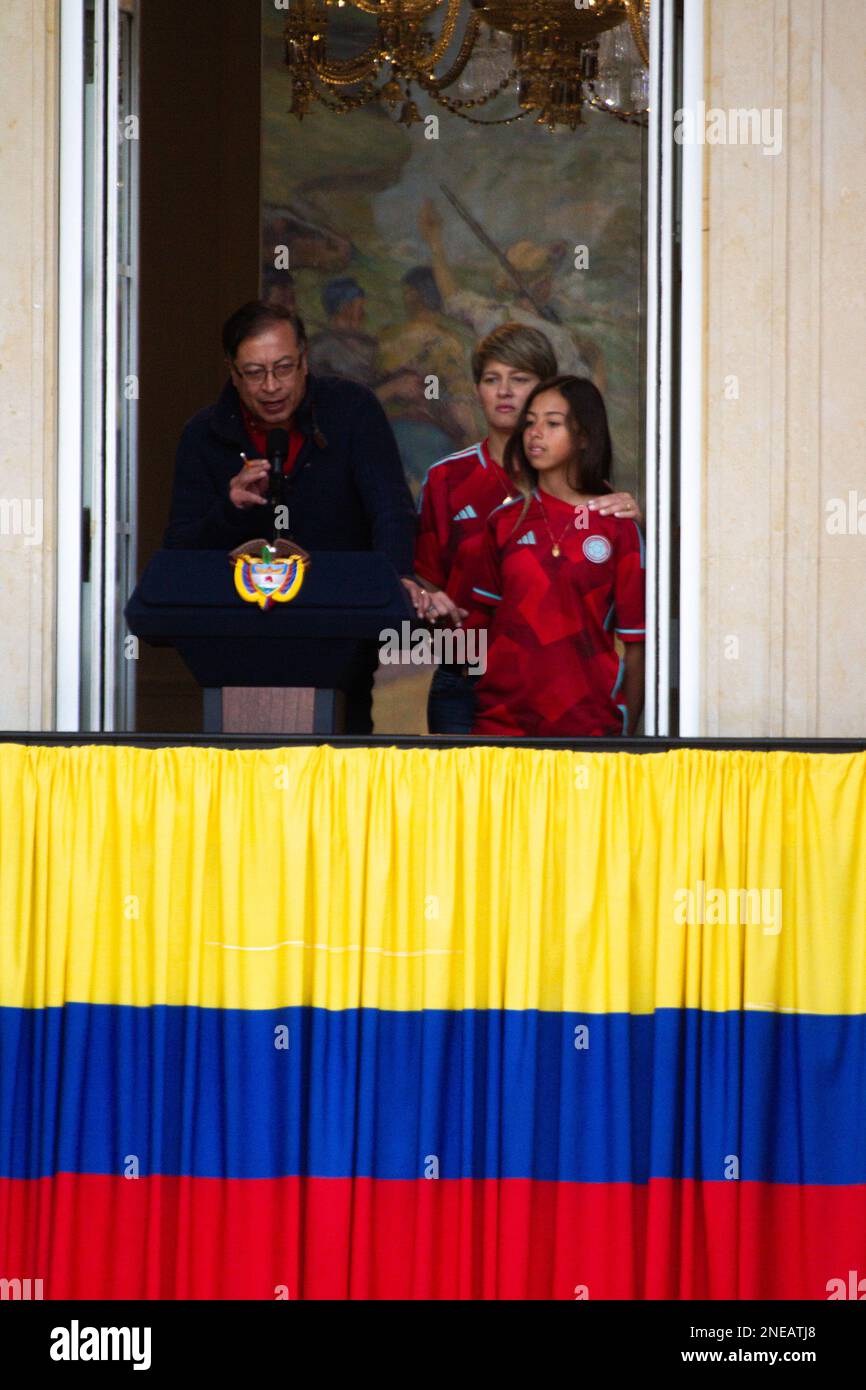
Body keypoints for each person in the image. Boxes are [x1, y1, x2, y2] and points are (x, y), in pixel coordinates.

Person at [162, 300, 427, 733]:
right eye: (254, 372)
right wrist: (229, 509)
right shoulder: (203, 435)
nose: (271, 386)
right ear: (232, 371)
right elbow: (179, 557)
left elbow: (390, 508)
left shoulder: (351, 410)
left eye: (283, 368)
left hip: (343, 635)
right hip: (239, 644)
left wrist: (397, 579)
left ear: (304, 361)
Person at [414, 324, 640, 734]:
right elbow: (427, 583)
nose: (504, 392)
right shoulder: (446, 478)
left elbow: (623, 598)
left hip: (561, 695)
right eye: (491, 379)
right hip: (463, 677)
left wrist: (640, 519)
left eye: (520, 379)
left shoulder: (593, 501)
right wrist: (429, 606)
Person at [466, 376, 645, 738]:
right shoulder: (504, 522)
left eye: (552, 423)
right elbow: (478, 628)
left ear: (583, 436)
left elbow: (637, 644)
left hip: (587, 725)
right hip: (501, 724)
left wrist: (625, 730)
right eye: (530, 422)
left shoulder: (616, 527)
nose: (536, 433)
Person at [306, 277, 379, 386]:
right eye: (359, 307)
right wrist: (392, 388)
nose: (363, 314)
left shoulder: (368, 343)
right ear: (345, 308)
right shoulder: (318, 348)